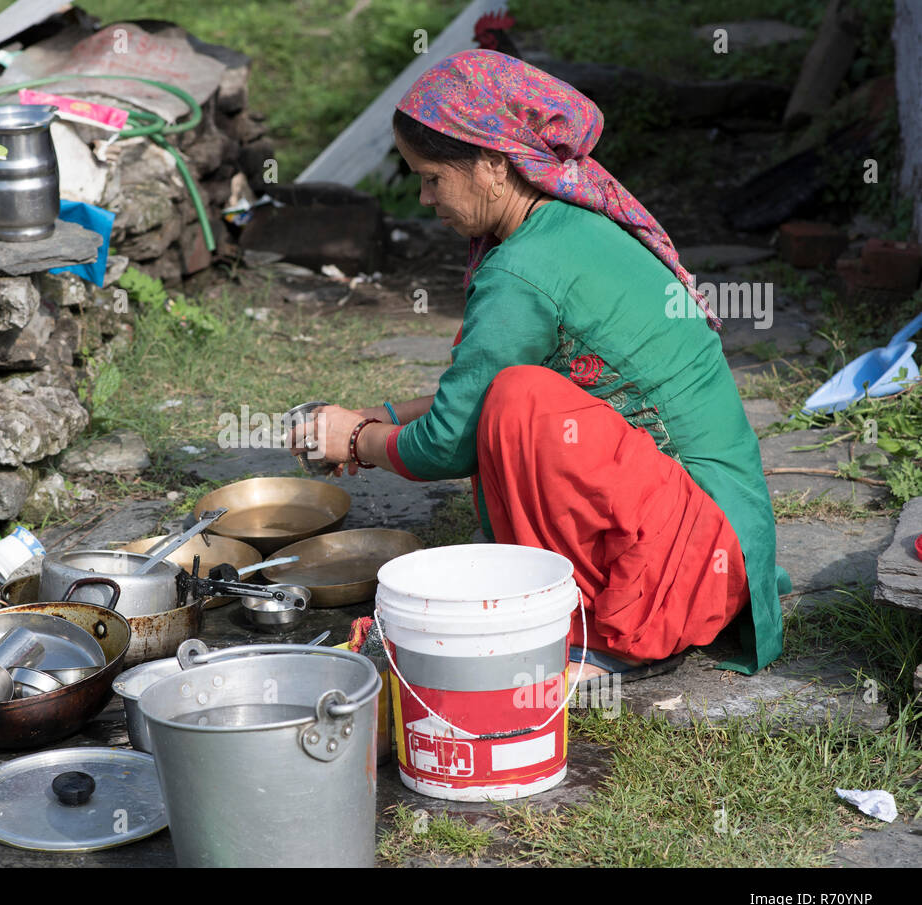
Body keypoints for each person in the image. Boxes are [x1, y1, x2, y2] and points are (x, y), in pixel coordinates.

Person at [292, 50, 786, 681]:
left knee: (524, 400)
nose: (423, 198)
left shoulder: (520, 273)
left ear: (494, 165)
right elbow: (472, 398)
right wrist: (374, 419)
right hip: (728, 540)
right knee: (516, 397)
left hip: (689, 566)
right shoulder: (571, 225)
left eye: (432, 178)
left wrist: (358, 441)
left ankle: (616, 635)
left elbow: (448, 443)